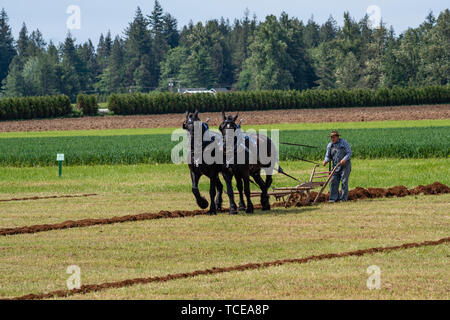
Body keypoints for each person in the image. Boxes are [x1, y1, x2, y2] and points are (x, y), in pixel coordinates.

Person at [322, 130, 352, 202]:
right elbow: (328, 156)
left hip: (345, 166)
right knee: (333, 181)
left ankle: (343, 199)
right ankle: (333, 199)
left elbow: (349, 153)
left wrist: (344, 159)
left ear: (337, 137)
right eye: (331, 137)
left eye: (334, 137)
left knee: (344, 181)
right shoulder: (330, 145)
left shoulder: (344, 143)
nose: (332, 139)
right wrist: (325, 161)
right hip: (335, 166)